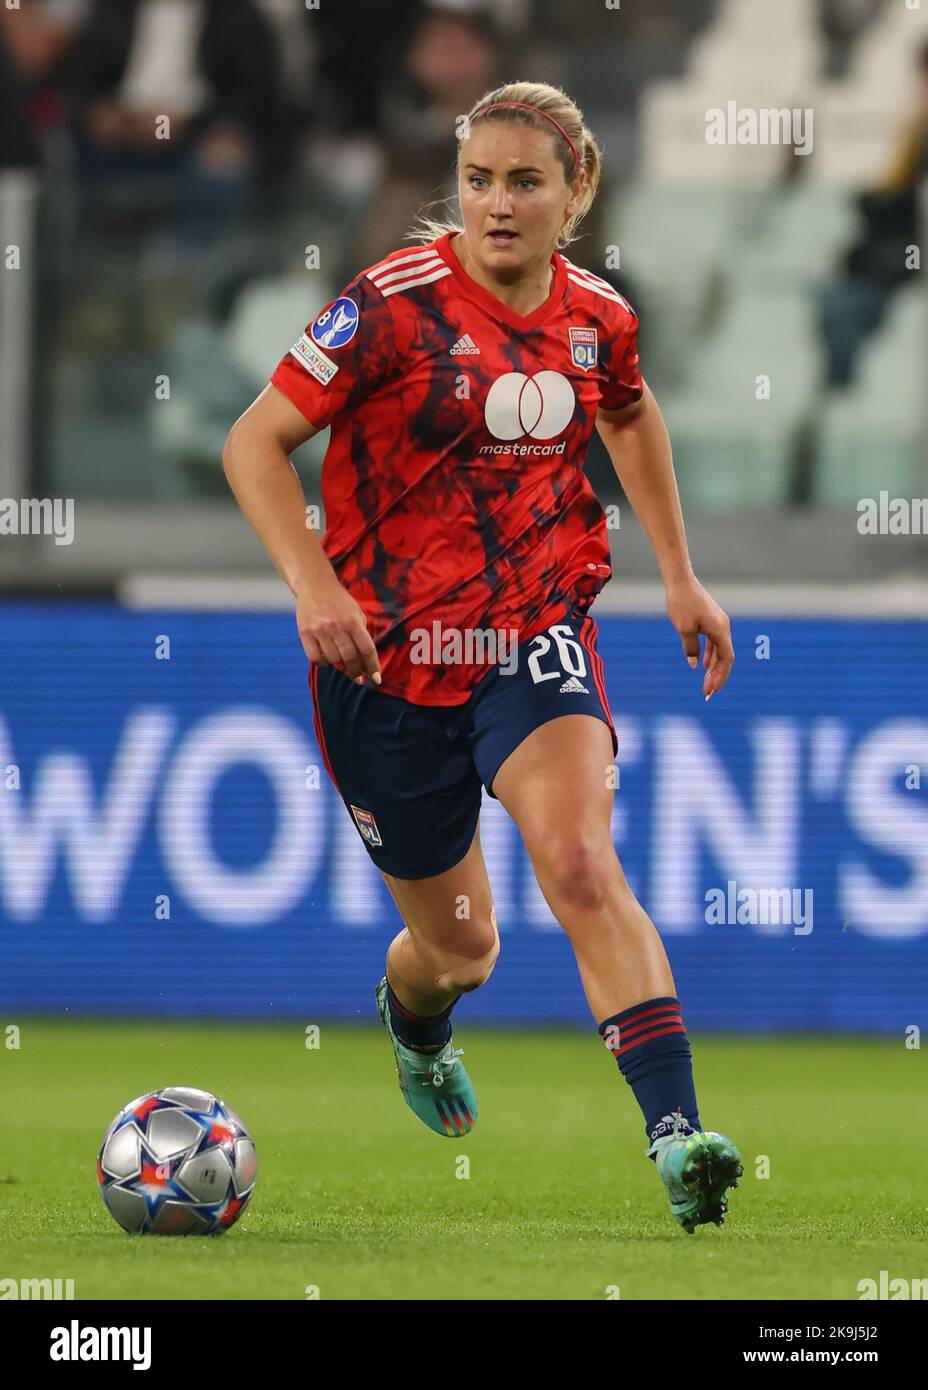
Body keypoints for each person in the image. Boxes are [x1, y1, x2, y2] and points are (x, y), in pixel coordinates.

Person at [223, 80, 742, 1234]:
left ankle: (676, 1135)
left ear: (576, 194)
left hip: (530, 630)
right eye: (477, 179)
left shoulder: (598, 314)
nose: (496, 204)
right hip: (384, 665)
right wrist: (312, 586)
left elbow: (629, 410)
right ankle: (415, 1023)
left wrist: (679, 570)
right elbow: (253, 442)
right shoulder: (388, 306)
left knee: (577, 859)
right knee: (460, 949)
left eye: (524, 182)